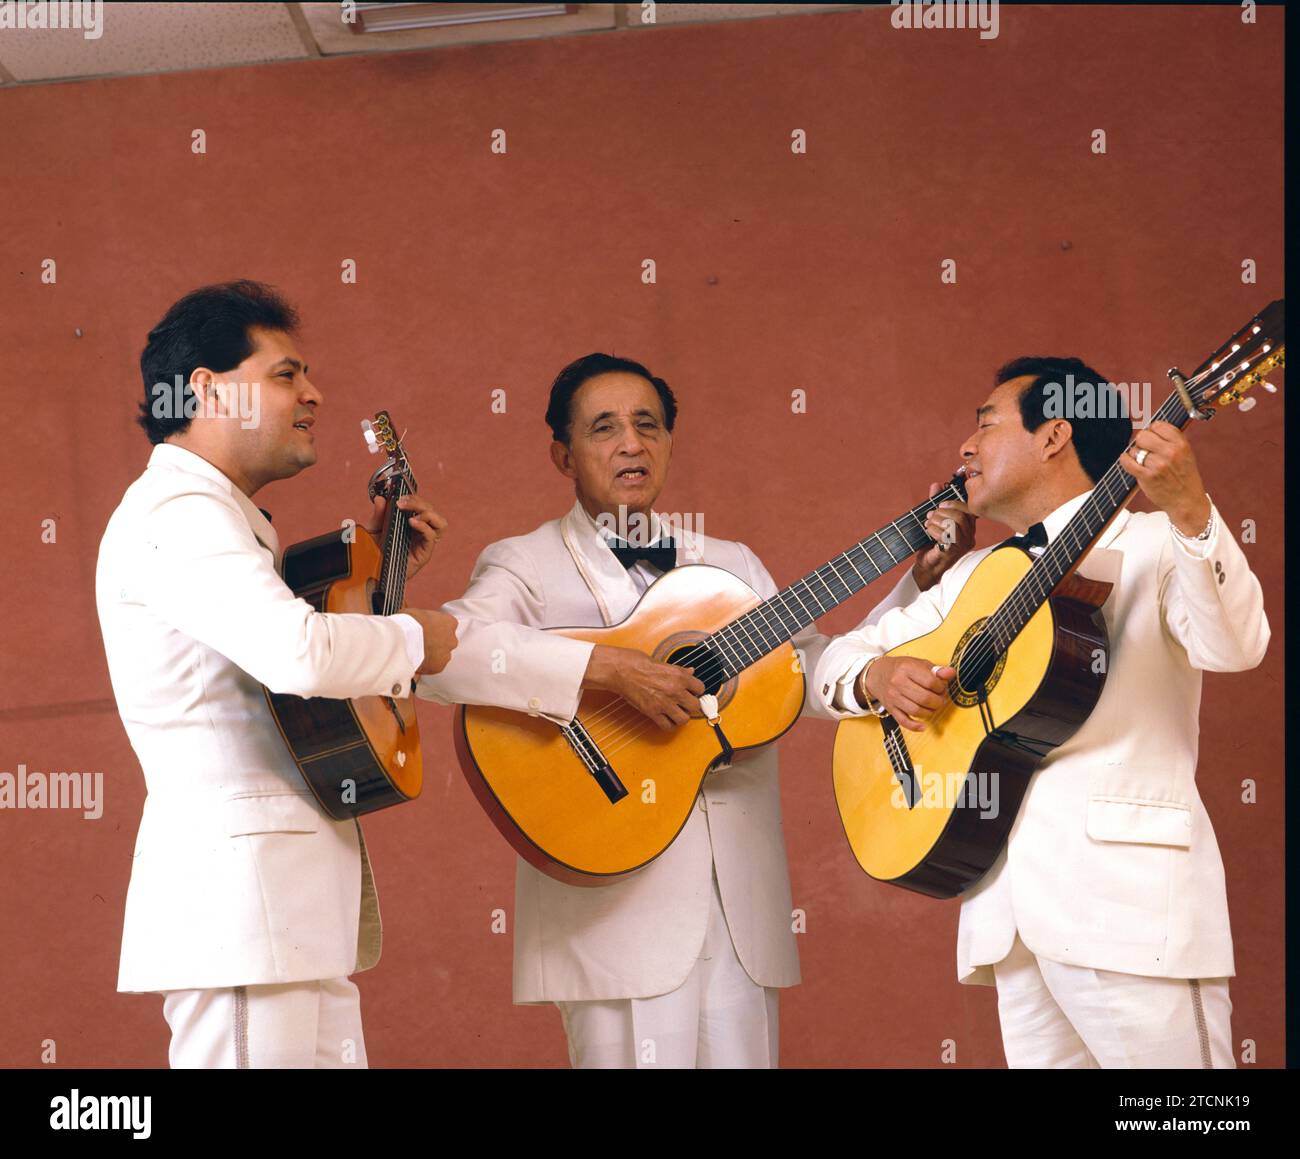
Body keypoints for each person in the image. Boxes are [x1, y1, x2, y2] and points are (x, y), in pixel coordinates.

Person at [416, 352, 973, 1067]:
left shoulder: (730, 562)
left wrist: (905, 606)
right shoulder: (523, 563)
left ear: (670, 443)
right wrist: (612, 669)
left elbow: (799, 667)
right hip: (610, 900)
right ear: (563, 453)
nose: (631, 444)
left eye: (649, 425)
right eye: (605, 428)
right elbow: (447, 657)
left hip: (740, 903)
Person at [814, 356, 1270, 1068]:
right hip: (1009, 921)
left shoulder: (1155, 542)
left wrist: (1191, 512)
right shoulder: (969, 577)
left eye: (985, 423)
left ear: (1054, 435)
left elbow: (1237, 645)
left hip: (1130, 911)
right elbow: (827, 665)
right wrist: (878, 675)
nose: (965, 446)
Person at [95, 280, 458, 1068]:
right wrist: (411, 638)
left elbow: (291, 681)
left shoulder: (216, 516)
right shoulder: (180, 515)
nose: (314, 394)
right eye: (286, 373)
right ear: (205, 389)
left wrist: (383, 587)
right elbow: (296, 654)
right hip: (245, 920)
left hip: (278, 919)